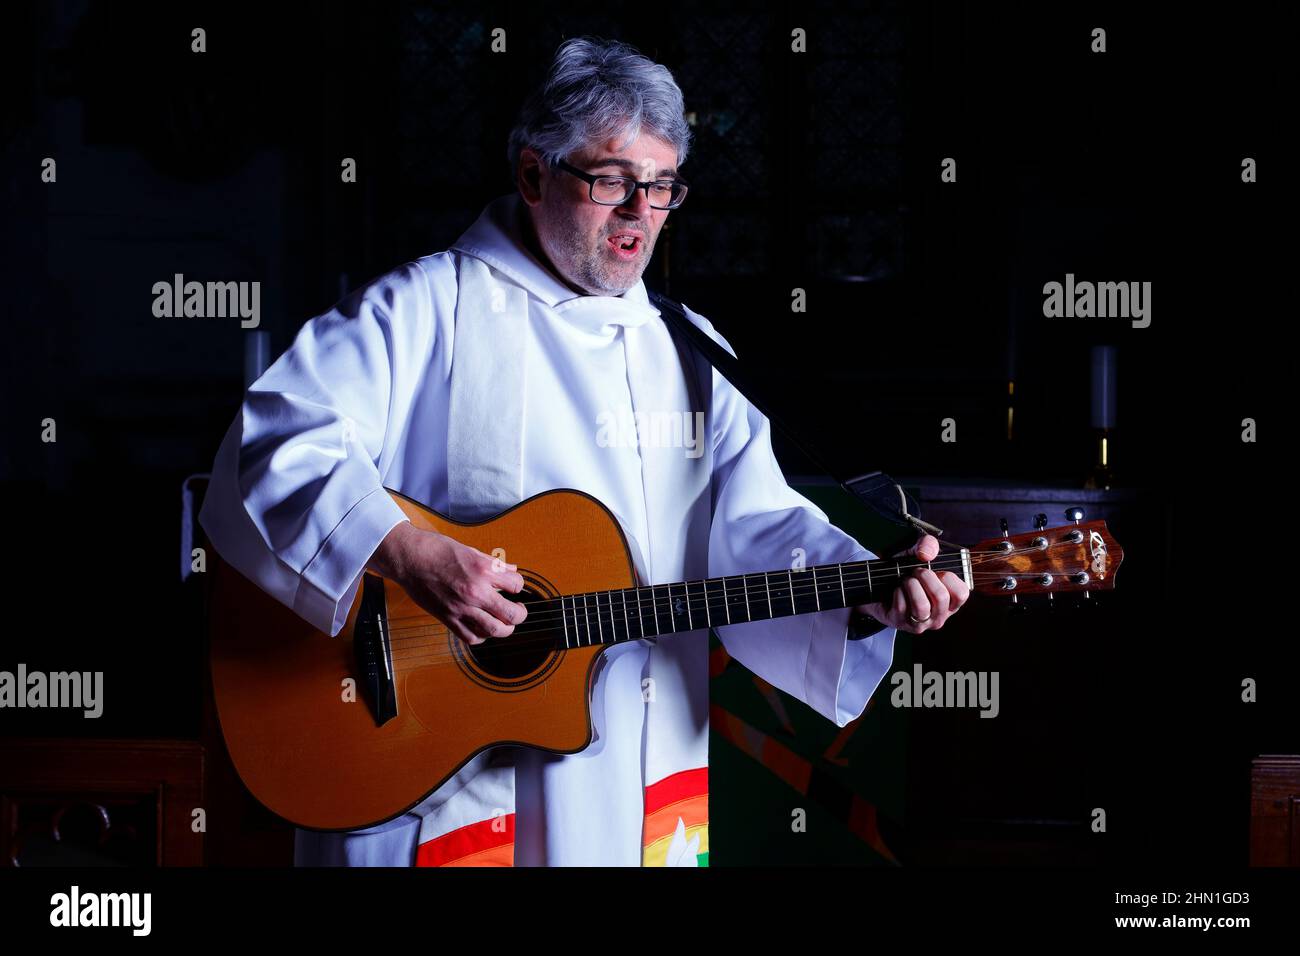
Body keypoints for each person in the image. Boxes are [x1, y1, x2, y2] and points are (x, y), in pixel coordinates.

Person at [198, 35, 968, 867]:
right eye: (612, 180)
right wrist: (408, 551)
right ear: (533, 175)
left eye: (663, 185)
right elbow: (273, 443)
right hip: (429, 757)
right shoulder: (424, 310)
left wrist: (863, 598)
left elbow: (758, 528)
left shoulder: (692, 351)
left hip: (644, 760)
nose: (642, 211)